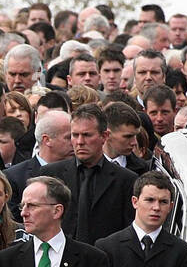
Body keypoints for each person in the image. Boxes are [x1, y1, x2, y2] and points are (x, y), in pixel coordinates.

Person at [39, 104, 138, 244]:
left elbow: (128, 232)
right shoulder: (51, 174)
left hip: (105, 259)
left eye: (86, 135)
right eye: (75, 135)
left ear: (104, 136)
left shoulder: (126, 180)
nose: (80, 142)